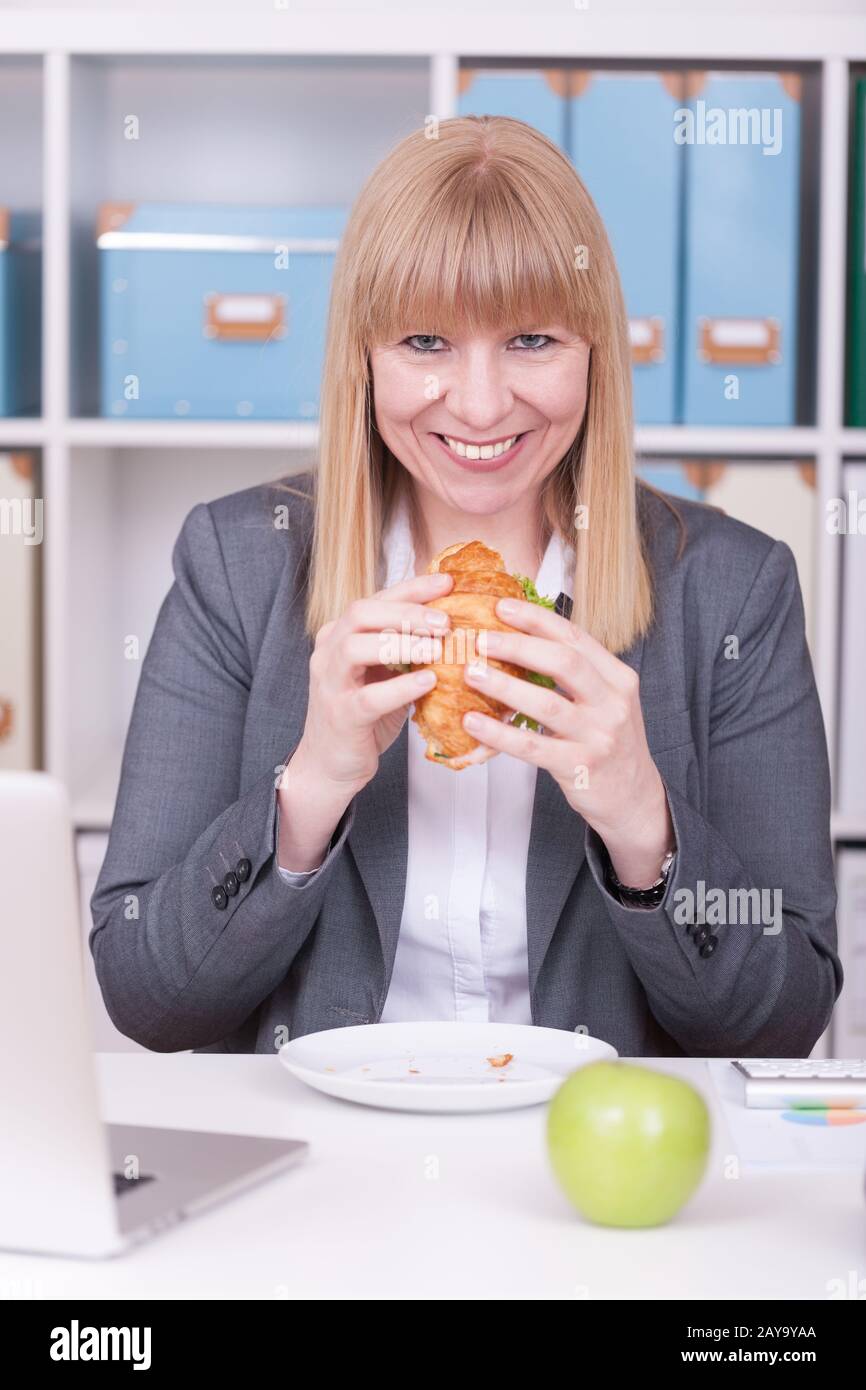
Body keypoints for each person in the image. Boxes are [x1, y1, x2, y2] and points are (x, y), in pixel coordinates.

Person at [90, 115, 840, 1056]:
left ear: (597, 351)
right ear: (363, 356)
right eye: (426, 343)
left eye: (531, 340)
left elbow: (787, 1020)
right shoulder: (237, 564)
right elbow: (146, 999)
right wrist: (311, 786)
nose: (481, 406)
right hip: (326, 1157)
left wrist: (642, 819)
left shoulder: (734, 588)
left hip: (589, 1166)